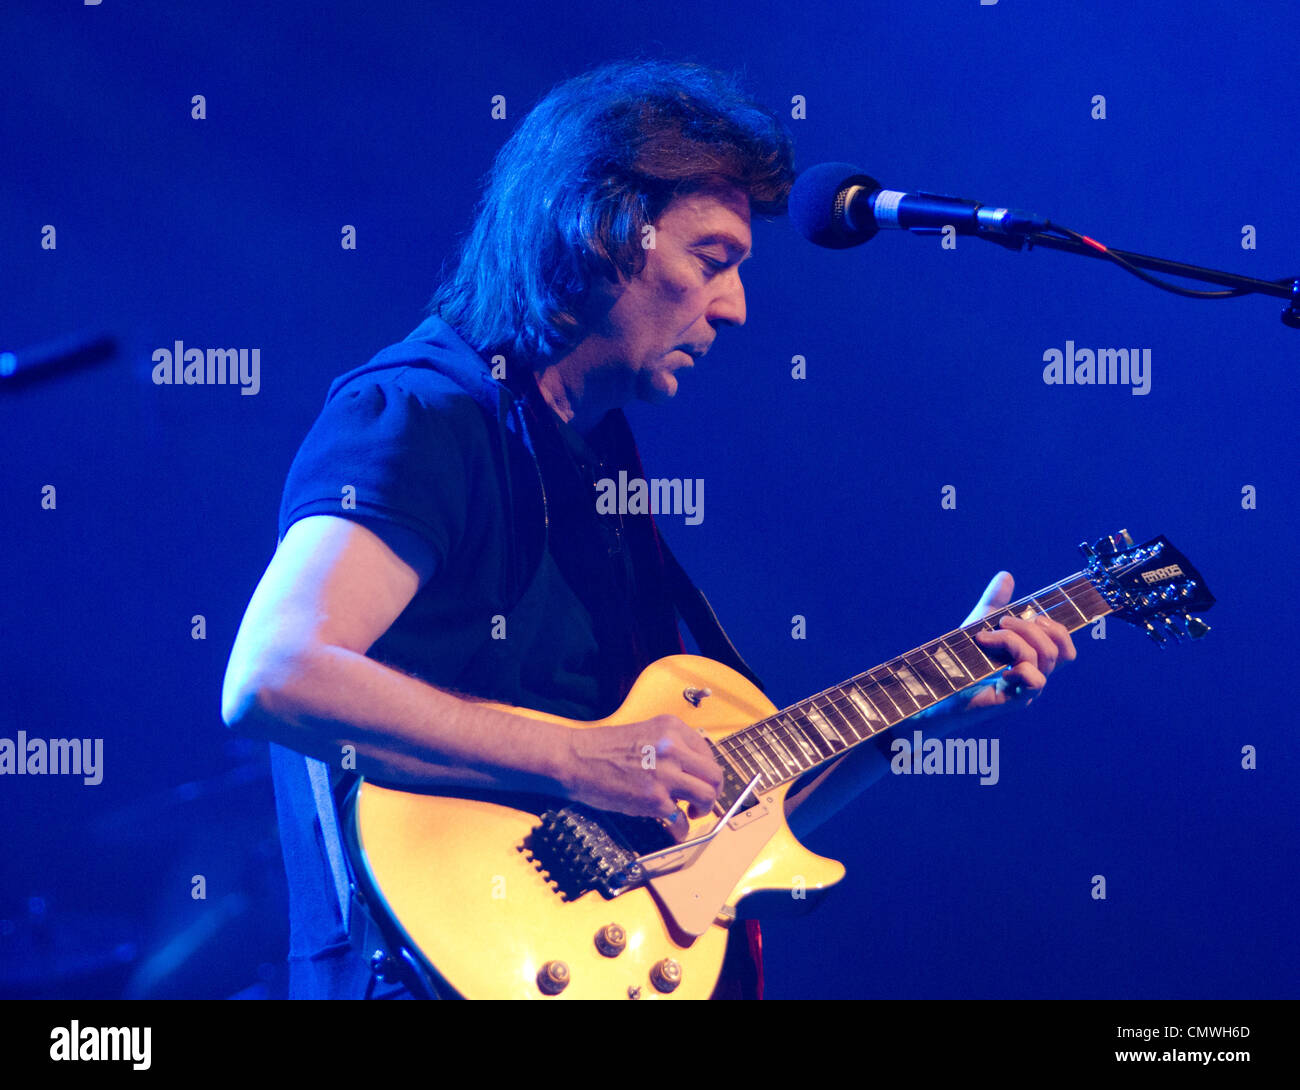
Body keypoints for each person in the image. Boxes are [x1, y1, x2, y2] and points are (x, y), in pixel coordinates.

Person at [221, 58, 1076, 1000]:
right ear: (597, 231)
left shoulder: (597, 451)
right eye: (712, 260)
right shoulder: (419, 414)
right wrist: (583, 758)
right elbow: (276, 674)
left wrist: (916, 719)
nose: (738, 308)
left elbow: (709, 825)